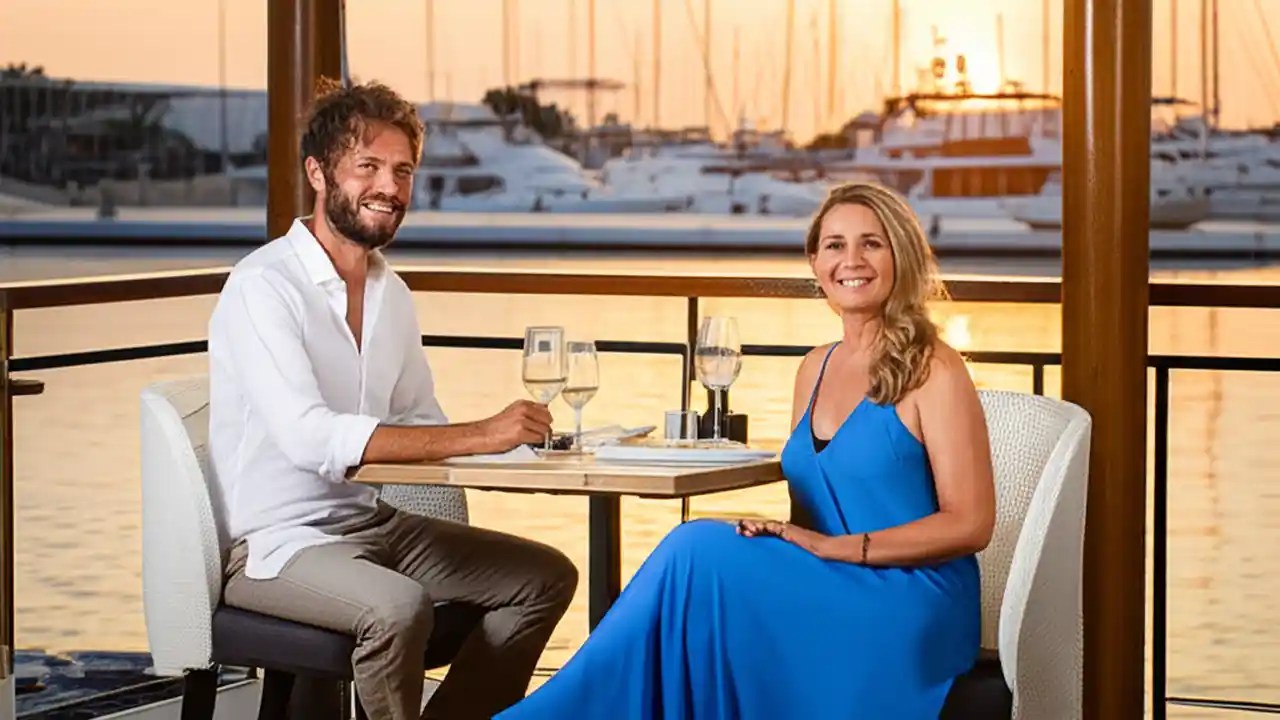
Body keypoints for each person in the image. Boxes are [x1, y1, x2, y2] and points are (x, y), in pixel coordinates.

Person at [496, 181, 996, 719]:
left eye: (871, 243)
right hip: (831, 581)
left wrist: (839, 550)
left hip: (910, 600)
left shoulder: (935, 368)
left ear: (901, 254)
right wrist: (783, 545)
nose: (851, 260)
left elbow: (971, 523)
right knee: (706, 564)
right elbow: (808, 517)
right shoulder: (815, 367)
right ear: (814, 261)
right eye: (834, 245)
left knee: (694, 551)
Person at [207, 79, 578, 720]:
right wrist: (480, 433)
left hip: (372, 522)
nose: (390, 186)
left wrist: (531, 451)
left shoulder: (391, 293)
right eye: (369, 167)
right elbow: (309, 438)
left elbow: (419, 424)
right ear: (318, 174)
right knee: (397, 607)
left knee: (543, 578)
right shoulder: (263, 286)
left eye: (402, 170)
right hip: (278, 544)